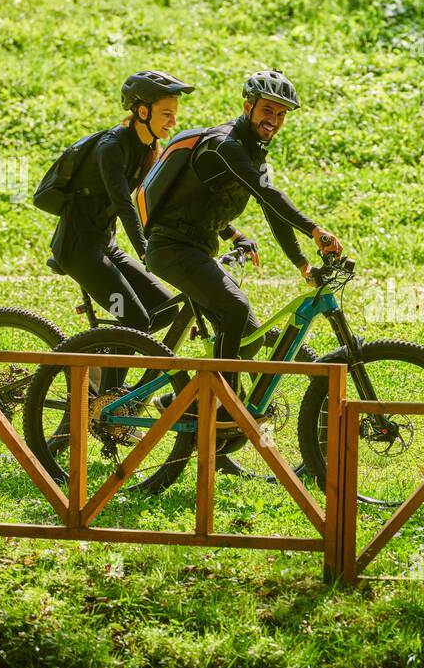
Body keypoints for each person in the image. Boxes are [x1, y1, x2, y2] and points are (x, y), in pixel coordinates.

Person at [142, 69, 343, 421]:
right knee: (234, 309)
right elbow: (268, 194)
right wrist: (315, 231)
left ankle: (192, 414)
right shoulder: (225, 146)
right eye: (268, 110)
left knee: (248, 336)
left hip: (197, 250)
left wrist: (300, 262)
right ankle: (222, 408)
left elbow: (270, 208)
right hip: (172, 247)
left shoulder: (253, 150)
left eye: (281, 114)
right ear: (248, 105)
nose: (275, 121)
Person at [48, 71, 193, 334]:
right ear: (142, 111)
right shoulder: (111, 147)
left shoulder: (148, 149)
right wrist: (144, 251)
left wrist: (224, 232)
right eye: (166, 114)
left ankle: (100, 363)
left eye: (174, 114)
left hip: (105, 245)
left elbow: (164, 199)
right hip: (78, 249)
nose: (174, 122)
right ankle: (105, 367)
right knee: (135, 323)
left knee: (167, 308)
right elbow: (124, 204)